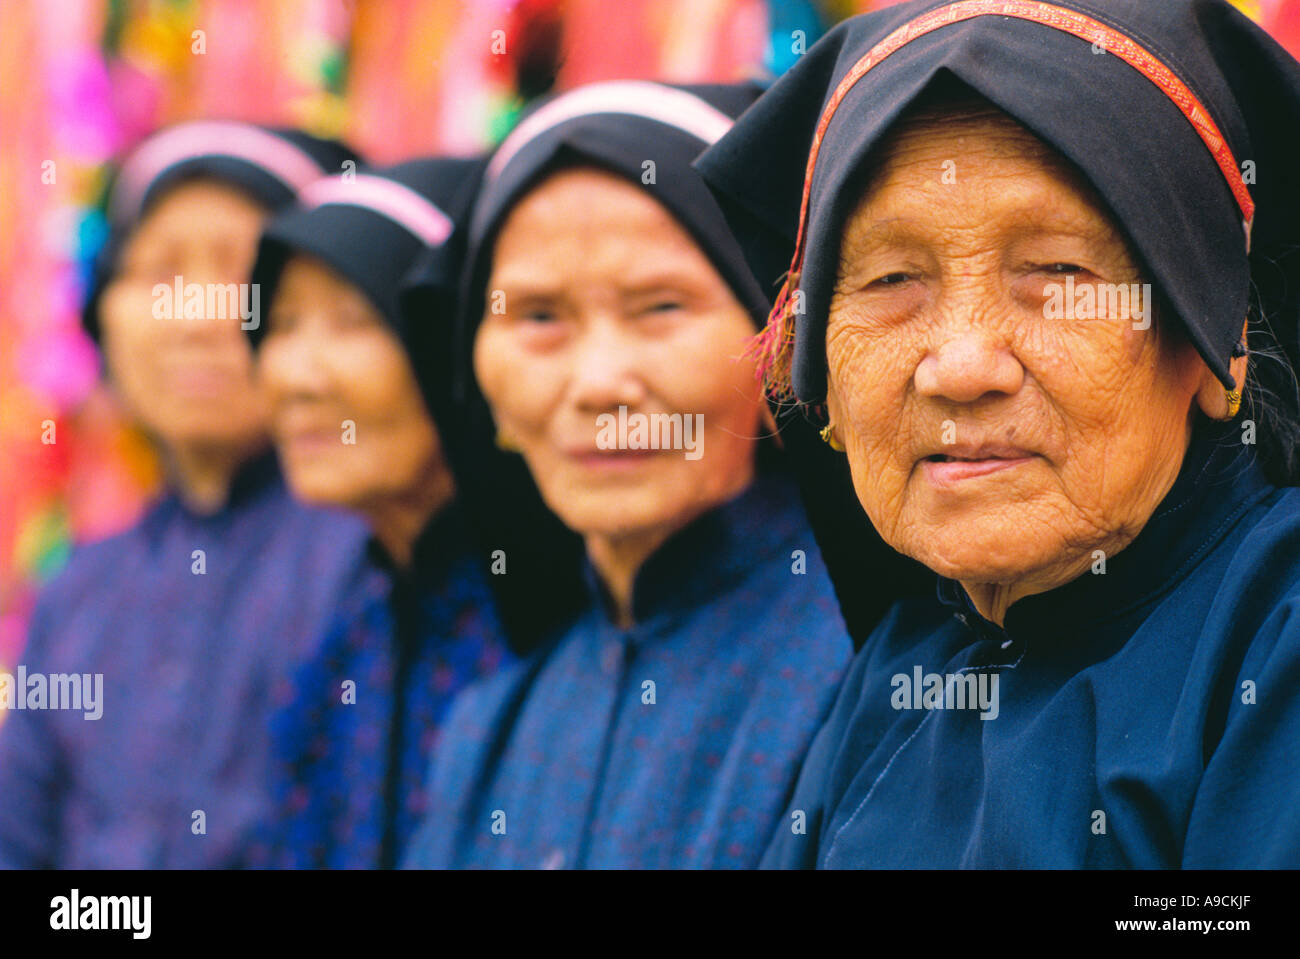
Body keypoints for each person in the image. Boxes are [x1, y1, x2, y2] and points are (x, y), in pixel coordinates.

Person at [693, 0, 1300, 867]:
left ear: (1218, 344)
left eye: (1058, 271)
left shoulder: (1273, 643)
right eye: (892, 277)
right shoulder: (898, 672)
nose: (962, 366)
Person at [403, 80, 900, 870]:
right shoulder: (484, 733)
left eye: (660, 306)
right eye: (538, 317)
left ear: (780, 348)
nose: (601, 382)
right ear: (480, 382)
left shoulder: (879, 693)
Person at [0, 120, 369, 868]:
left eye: (245, 275)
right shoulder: (79, 591)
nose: (197, 318)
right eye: (161, 273)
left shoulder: (376, 564)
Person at [244, 158, 512, 868]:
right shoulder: (346, 642)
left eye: (355, 319)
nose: (299, 376)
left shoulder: (544, 631)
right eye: (283, 323)